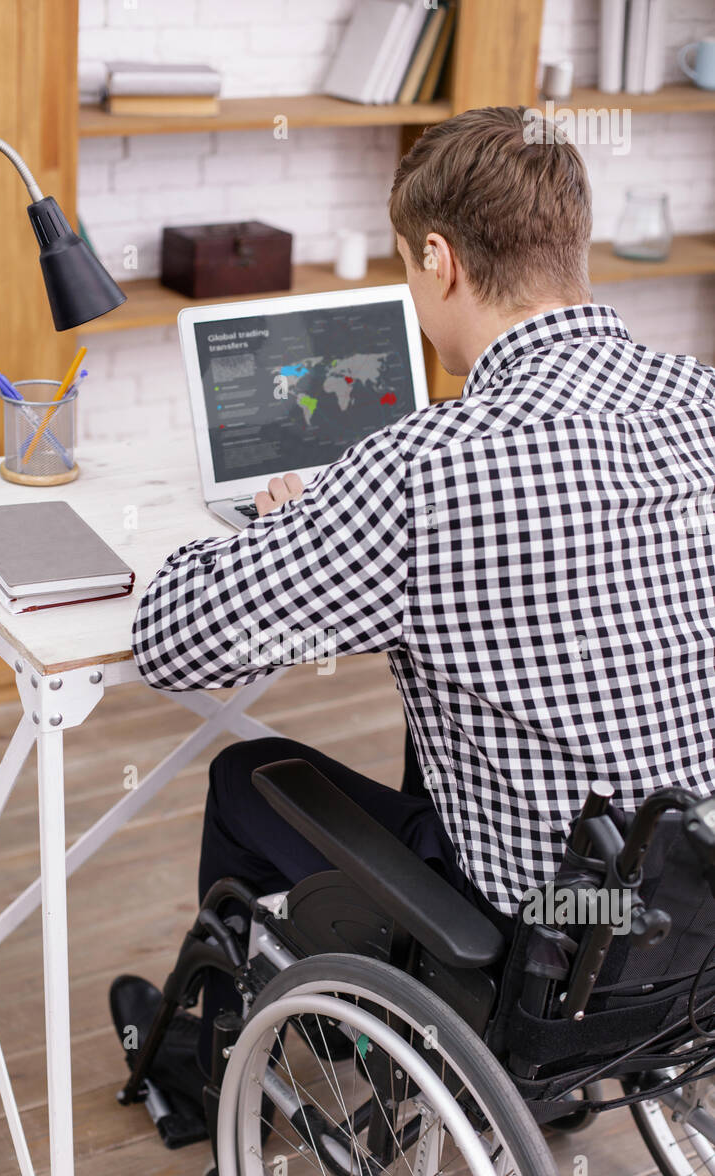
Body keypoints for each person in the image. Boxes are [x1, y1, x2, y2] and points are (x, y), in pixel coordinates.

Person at [121, 105, 715, 1082]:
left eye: (405, 266)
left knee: (244, 777)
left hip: (548, 939)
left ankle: (217, 1066)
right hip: (684, 911)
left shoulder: (422, 468)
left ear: (438, 259)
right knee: (448, 699)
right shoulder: (699, 396)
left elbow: (174, 641)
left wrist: (288, 527)